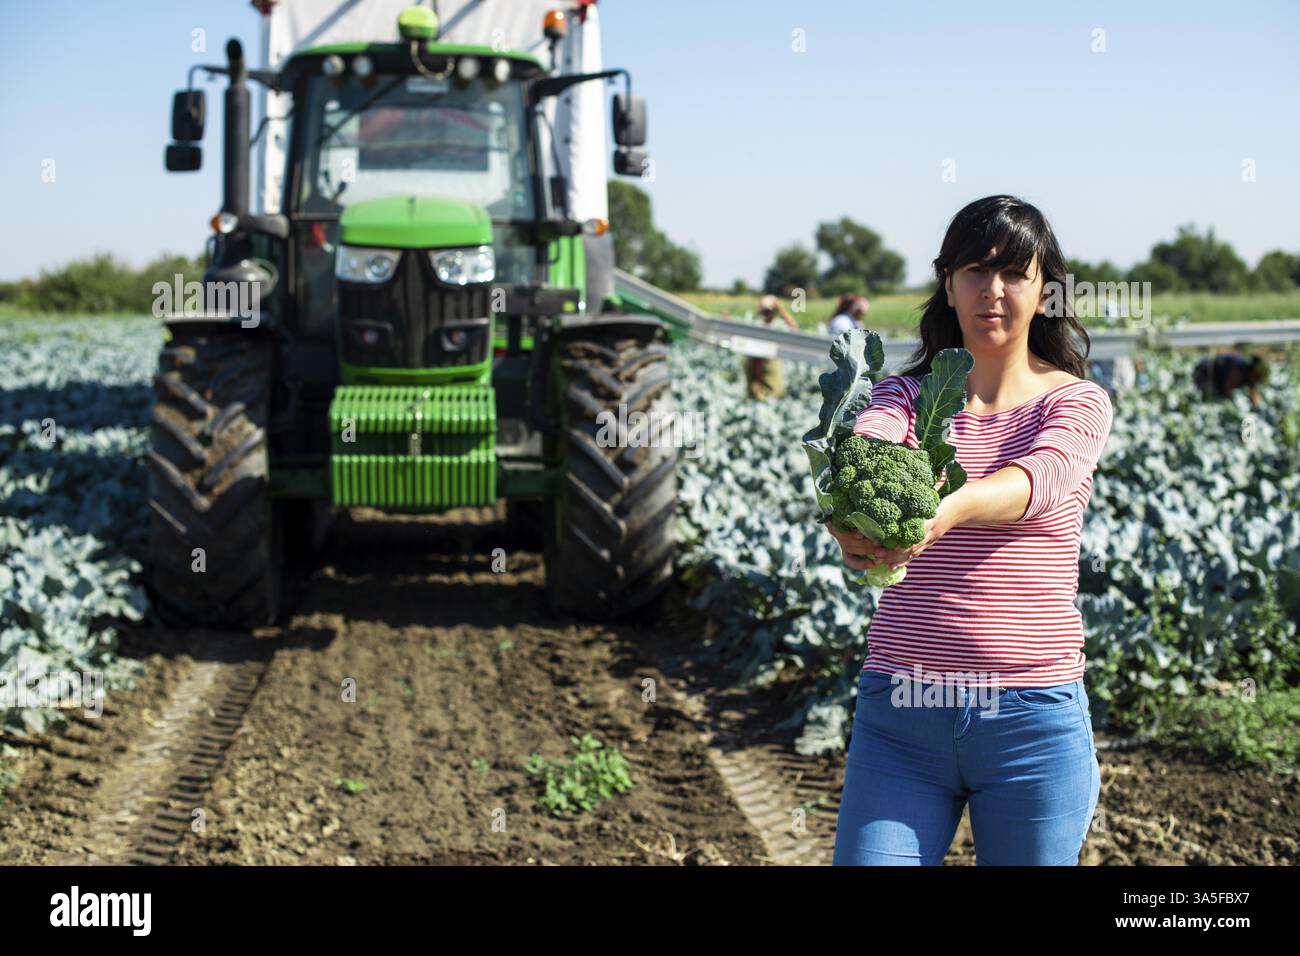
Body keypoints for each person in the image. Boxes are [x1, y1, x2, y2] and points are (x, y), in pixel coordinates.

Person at [825, 195, 1112, 866]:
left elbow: (1039, 482)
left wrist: (945, 509)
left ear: (1045, 291)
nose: (994, 290)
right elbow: (872, 450)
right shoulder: (902, 397)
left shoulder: (1075, 402)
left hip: (1030, 720)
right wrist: (854, 523)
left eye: (1016, 272)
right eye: (976, 271)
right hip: (901, 713)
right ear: (948, 284)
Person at [744, 293, 799, 400]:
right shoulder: (758, 324)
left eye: (770, 310)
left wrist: (782, 310)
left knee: (774, 394)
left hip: (772, 366)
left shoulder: (778, 325)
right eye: (765, 311)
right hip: (759, 365)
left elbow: (795, 329)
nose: (768, 313)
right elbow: (755, 356)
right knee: (756, 396)